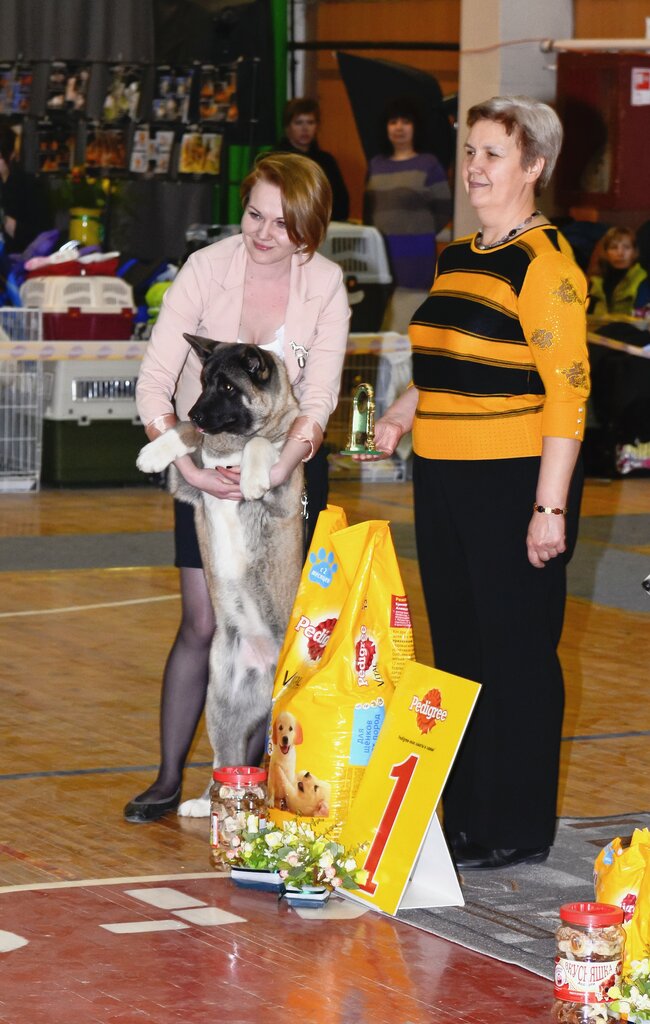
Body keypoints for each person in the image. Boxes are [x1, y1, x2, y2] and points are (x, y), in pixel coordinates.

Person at [357, 96, 590, 869]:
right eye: (470, 152)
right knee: (457, 647)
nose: (476, 168)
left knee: (516, 650)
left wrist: (548, 509)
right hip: (444, 474)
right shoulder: (457, 255)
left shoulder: (548, 266)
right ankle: (466, 815)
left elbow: (569, 396)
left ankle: (516, 823)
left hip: (516, 477)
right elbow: (445, 357)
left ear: (534, 167)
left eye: (494, 154)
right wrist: (400, 413)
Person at [124, 152, 351, 823]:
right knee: (203, 621)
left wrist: (280, 469)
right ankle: (168, 775)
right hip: (203, 460)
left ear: (309, 229)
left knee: (278, 633)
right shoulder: (207, 270)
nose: (261, 231)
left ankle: (251, 779)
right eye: (255, 213)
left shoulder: (327, 285)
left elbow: (320, 395)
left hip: (292, 468)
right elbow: (156, 378)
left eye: (282, 223)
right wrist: (187, 468)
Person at [364, 96, 452, 333]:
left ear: (415, 128)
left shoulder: (428, 163)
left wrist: (418, 232)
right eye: (393, 122)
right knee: (383, 326)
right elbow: (369, 210)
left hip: (417, 255)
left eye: (406, 122)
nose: (399, 127)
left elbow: (444, 209)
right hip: (381, 254)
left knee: (412, 327)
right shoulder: (376, 164)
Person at [275, 97, 349, 222]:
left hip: (322, 229)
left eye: (310, 122)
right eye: (298, 122)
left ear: (317, 126)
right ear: (287, 126)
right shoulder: (274, 160)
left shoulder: (327, 161)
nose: (305, 128)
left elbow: (340, 202)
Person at [0, 122, 51, 255]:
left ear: (11, 154)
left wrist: (5, 221)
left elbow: (41, 238)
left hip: (20, 264)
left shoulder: (29, 186)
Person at [587, 225, 650, 318]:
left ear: (634, 252)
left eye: (626, 247)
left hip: (630, 330)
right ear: (606, 252)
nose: (620, 253)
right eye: (613, 247)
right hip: (596, 329)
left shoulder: (642, 280)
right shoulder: (595, 281)